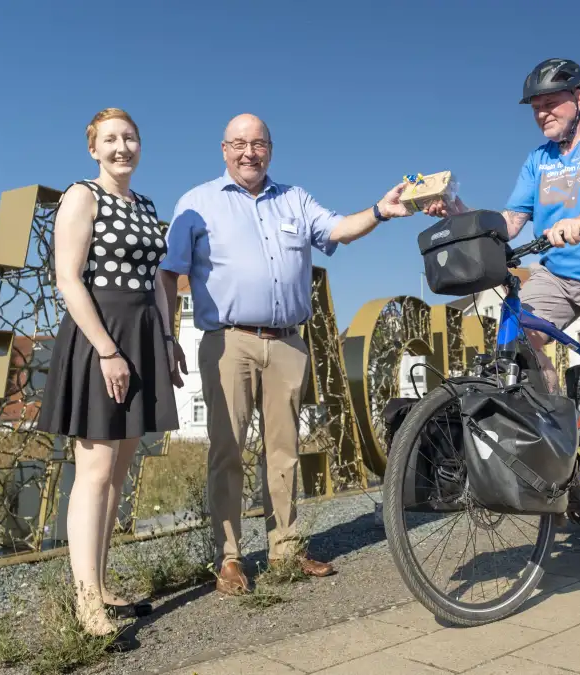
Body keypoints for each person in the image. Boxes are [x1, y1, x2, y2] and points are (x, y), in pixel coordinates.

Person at [156, 113, 421, 594]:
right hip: (228, 342)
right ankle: (229, 558)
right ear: (223, 150)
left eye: (257, 143)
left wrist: (380, 211)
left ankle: (286, 548)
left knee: (284, 452)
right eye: (238, 143)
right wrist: (168, 337)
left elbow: (339, 230)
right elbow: (168, 274)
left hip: (287, 344)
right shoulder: (197, 203)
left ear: (270, 150)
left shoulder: (295, 200)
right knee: (227, 452)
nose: (248, 152)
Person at [430, 58, 580, 554]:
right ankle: (558, 445)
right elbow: (511, 220)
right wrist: (461, 213)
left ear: (579, 98)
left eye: (550, 103)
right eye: (536, 106)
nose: (542, 113)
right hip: (554, 275)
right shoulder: (538, 160)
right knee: (518, 344)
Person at [37, 107, 180, 637]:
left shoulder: (144, 204)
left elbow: (154, 283)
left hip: (142, 334)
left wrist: (167, 341)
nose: (122, 148)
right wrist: (107, 351)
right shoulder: (82, 196)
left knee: (117, 475)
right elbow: (69, 279)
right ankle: (84, 603)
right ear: (94, 149)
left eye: (131, 138)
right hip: (101, 337)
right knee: (93, 473)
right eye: (111, 140)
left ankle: (98, 585)